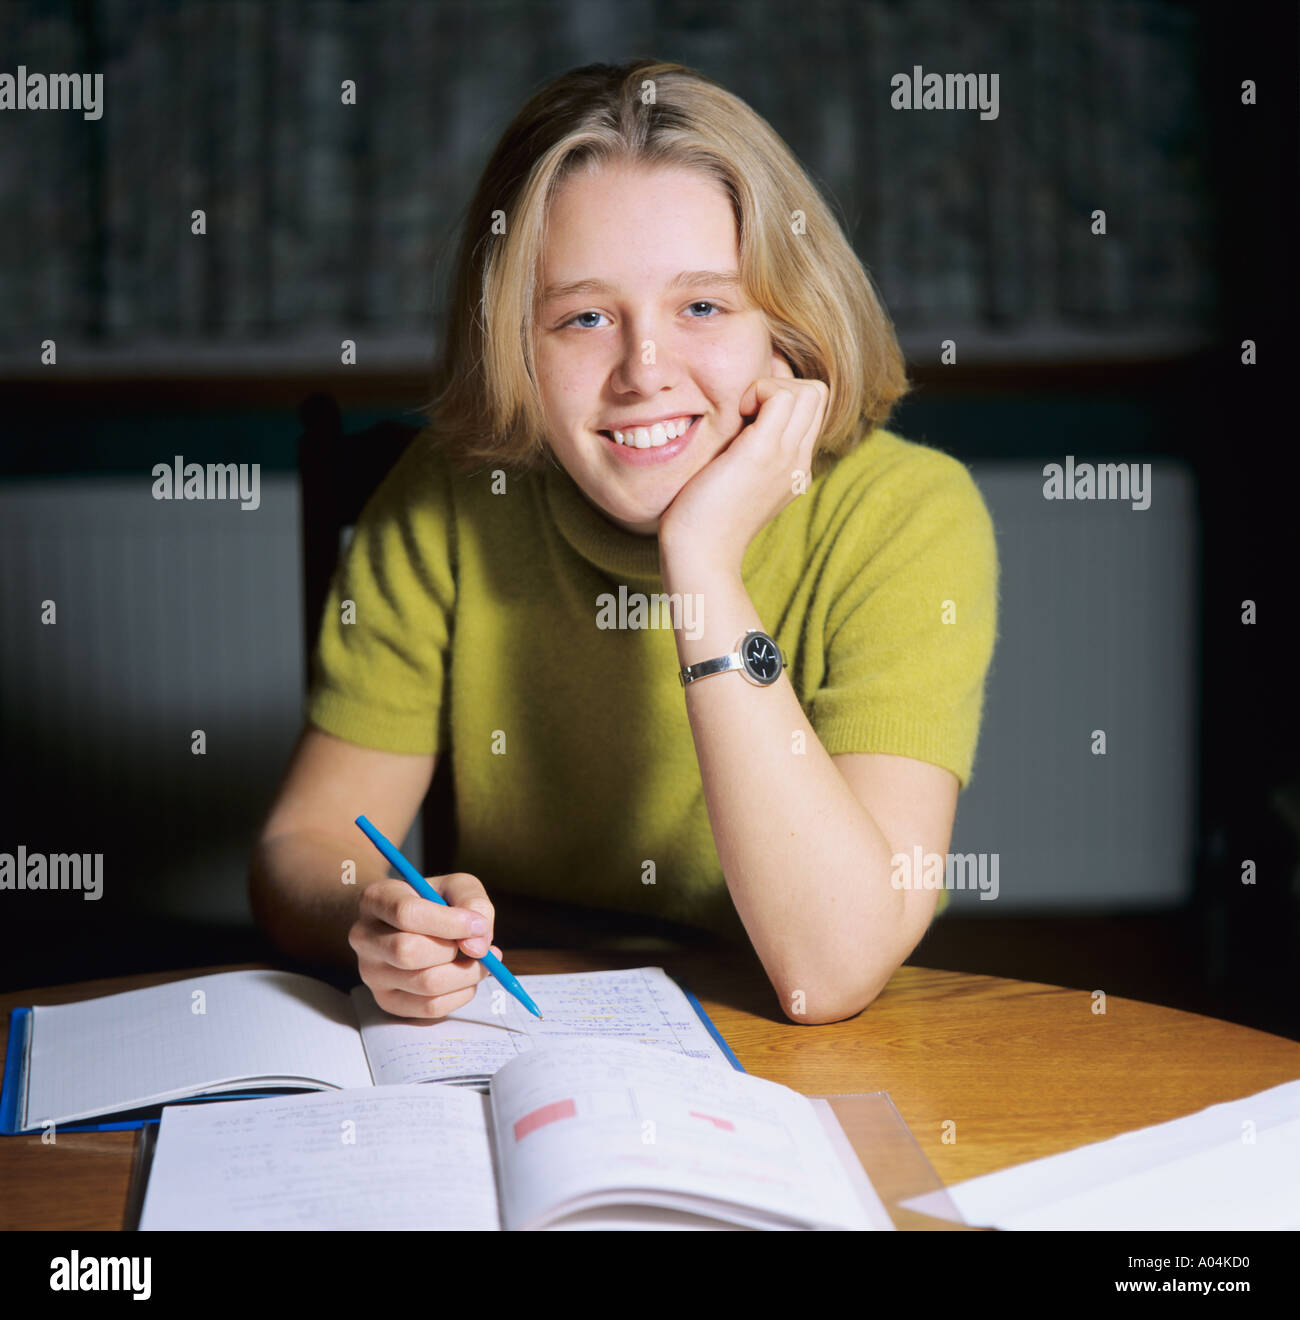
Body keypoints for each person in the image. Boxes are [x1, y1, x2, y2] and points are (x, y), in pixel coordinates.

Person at [249, 59, 998, 1026]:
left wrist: (703, 563)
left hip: (773, 1043)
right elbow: (302, 845)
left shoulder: (907, 515)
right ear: (517, 345)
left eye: (703, 306)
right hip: (516, 1020)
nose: (644, 371)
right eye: (585, 317)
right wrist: (376, 915)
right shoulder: (443, 498)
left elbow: (830, 967)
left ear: (791, 325)